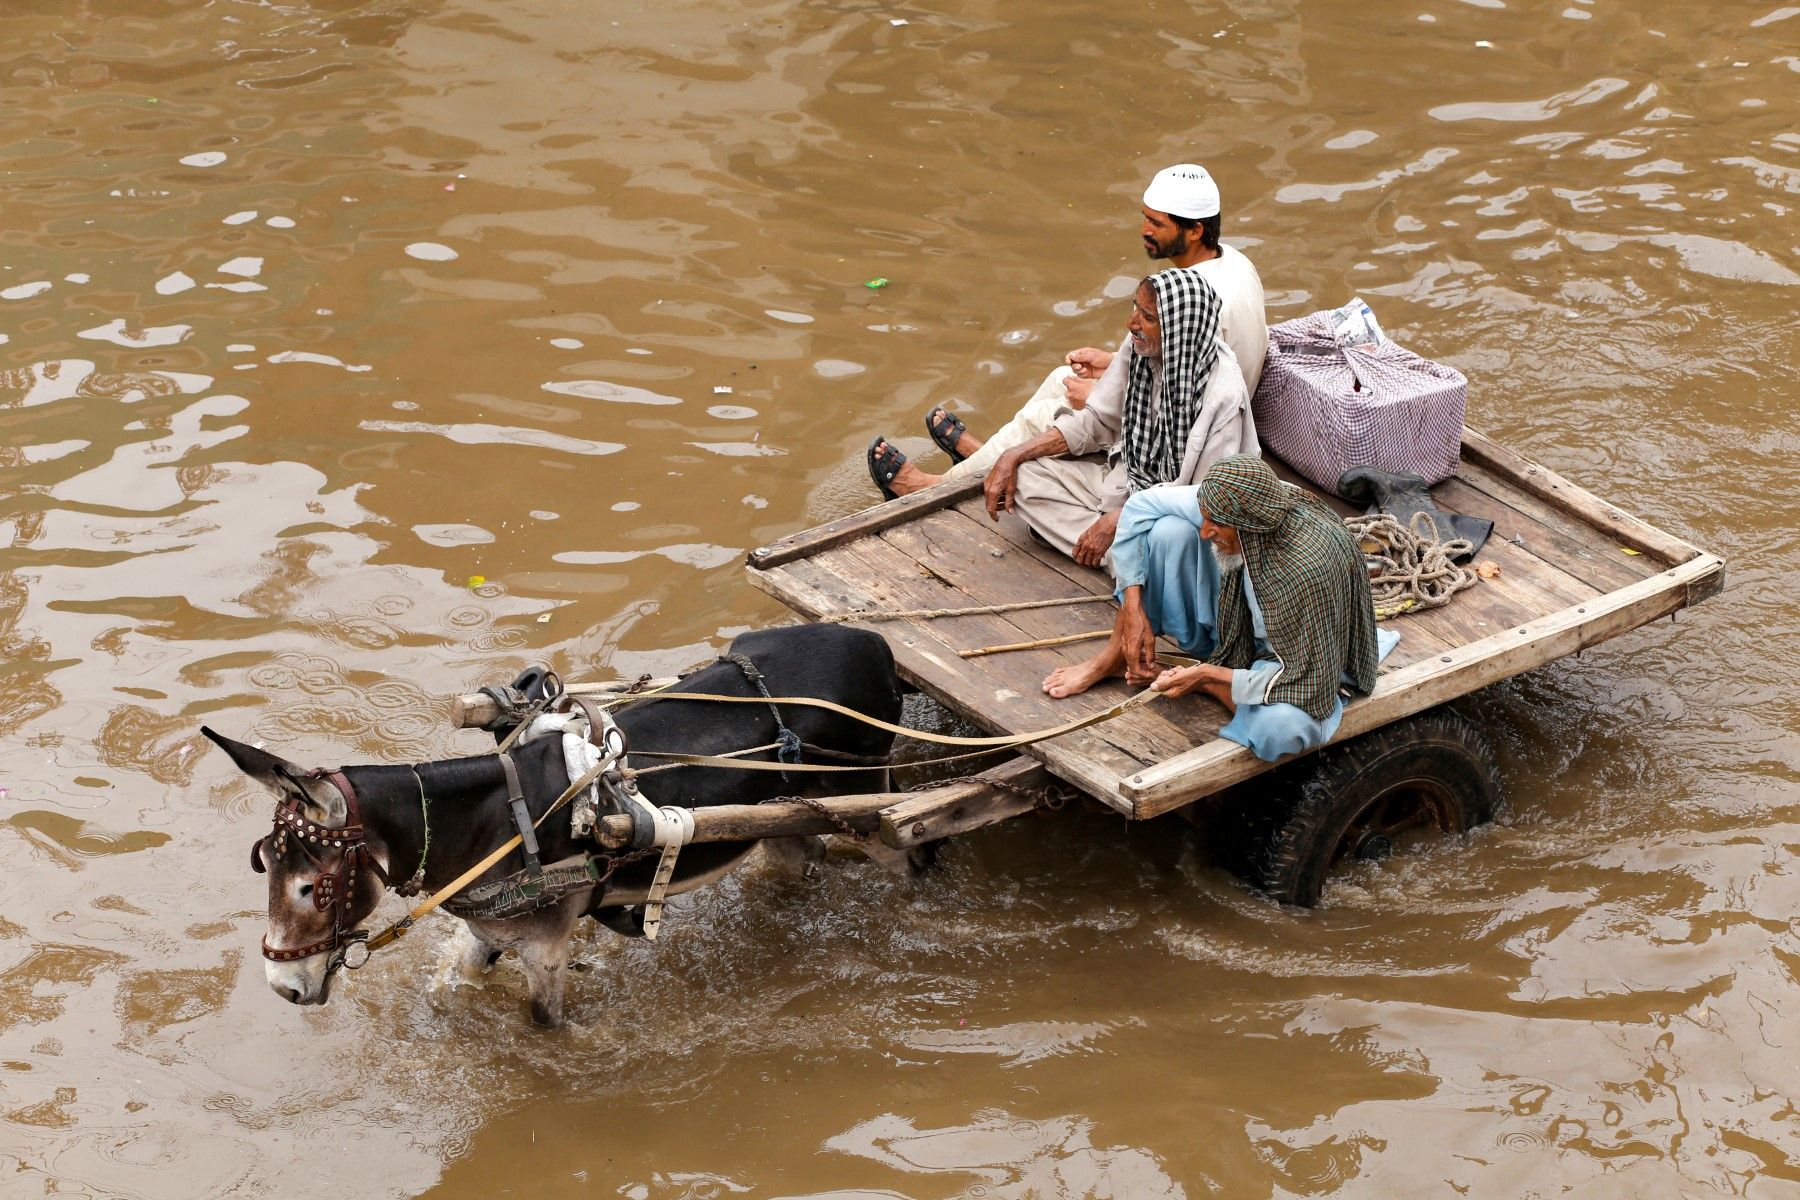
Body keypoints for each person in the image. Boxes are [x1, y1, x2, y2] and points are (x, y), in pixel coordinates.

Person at [868, 162, 1267, 501]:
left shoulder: (1199, 299)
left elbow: (1187, 404)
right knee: (1062, 378)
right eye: (1145, 217)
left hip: (1188, 436)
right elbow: (1186, 358)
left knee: (1052, 410)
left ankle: (938, 487)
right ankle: (982, 460)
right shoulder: (1230, 261)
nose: (1144, 229)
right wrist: (1112, 364)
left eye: (1155, 223)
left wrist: (1102, 396)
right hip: (1182, 397)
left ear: (1195, 230)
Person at [1041, 455, 1400, 763]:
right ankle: (1114, 656)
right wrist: (1133, 607)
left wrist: (1207, 677)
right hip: (1243, 629)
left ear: (1249, 527)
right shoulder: (1247, 497)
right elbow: (1138, 508)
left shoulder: (1302, 572)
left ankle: (1209, 682)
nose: (1204, 532)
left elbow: (1304, 680)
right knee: (1165, 532)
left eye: (1216, 525)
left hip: (1299, 663)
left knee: (1279, 730)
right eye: (1206, 518)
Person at [980, 267, 1257, 568]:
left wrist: (1122, 518)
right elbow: (1098, 420)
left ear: (1180, 330)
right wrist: (1014, 453)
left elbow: (1205, 497)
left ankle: (1121, 555)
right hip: (1125, 480)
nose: (1131, 323)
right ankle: (1119, 555)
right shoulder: (1139, 347)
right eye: (1135, 307)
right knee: (1025, 475)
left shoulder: (1223, 395)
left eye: (1148, 317)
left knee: (1168, 538)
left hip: (1176, 514)